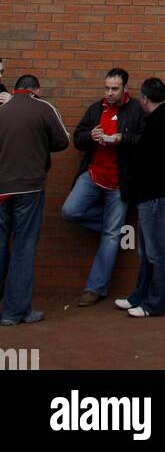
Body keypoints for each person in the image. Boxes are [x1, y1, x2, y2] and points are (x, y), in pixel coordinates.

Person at [61, 67, 145, 306]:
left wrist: (122, 138)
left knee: (110, 236)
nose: (109, 93)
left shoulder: (136, 110)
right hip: (92, 176)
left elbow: (144, 141)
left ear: (125, 89)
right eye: (107, 88)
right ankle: (112, 228)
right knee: (70, 211)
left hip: (119, 183)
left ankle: (95, 288)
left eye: (114, 89)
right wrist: (91, 136)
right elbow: (77, 139)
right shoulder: (96, 109)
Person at [0, 76, 69, 325]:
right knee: (23, 247)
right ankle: (15, 311)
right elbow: (63, 140)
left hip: (2, 188)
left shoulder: (3, 110)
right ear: (36, 90)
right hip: (29, 188)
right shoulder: (43, 107)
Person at [115, 78, 165, 318]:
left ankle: (155, 303)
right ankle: (140, 295)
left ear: (145, 99)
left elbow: (146, 159)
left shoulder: (158, 122)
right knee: (148, 250)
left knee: (157, 251)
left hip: (156, 195)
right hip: (158, 193)